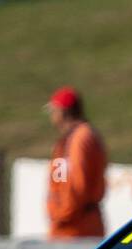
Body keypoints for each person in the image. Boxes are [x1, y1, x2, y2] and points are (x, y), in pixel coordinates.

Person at [45, 86, 108, 239]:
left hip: (77, 226)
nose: (51, 115)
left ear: (63, 111)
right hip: (67, 225)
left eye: (53, 110)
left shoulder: (81, 137)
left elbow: (78, 184)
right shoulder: (71, 137)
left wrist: (64, 214)